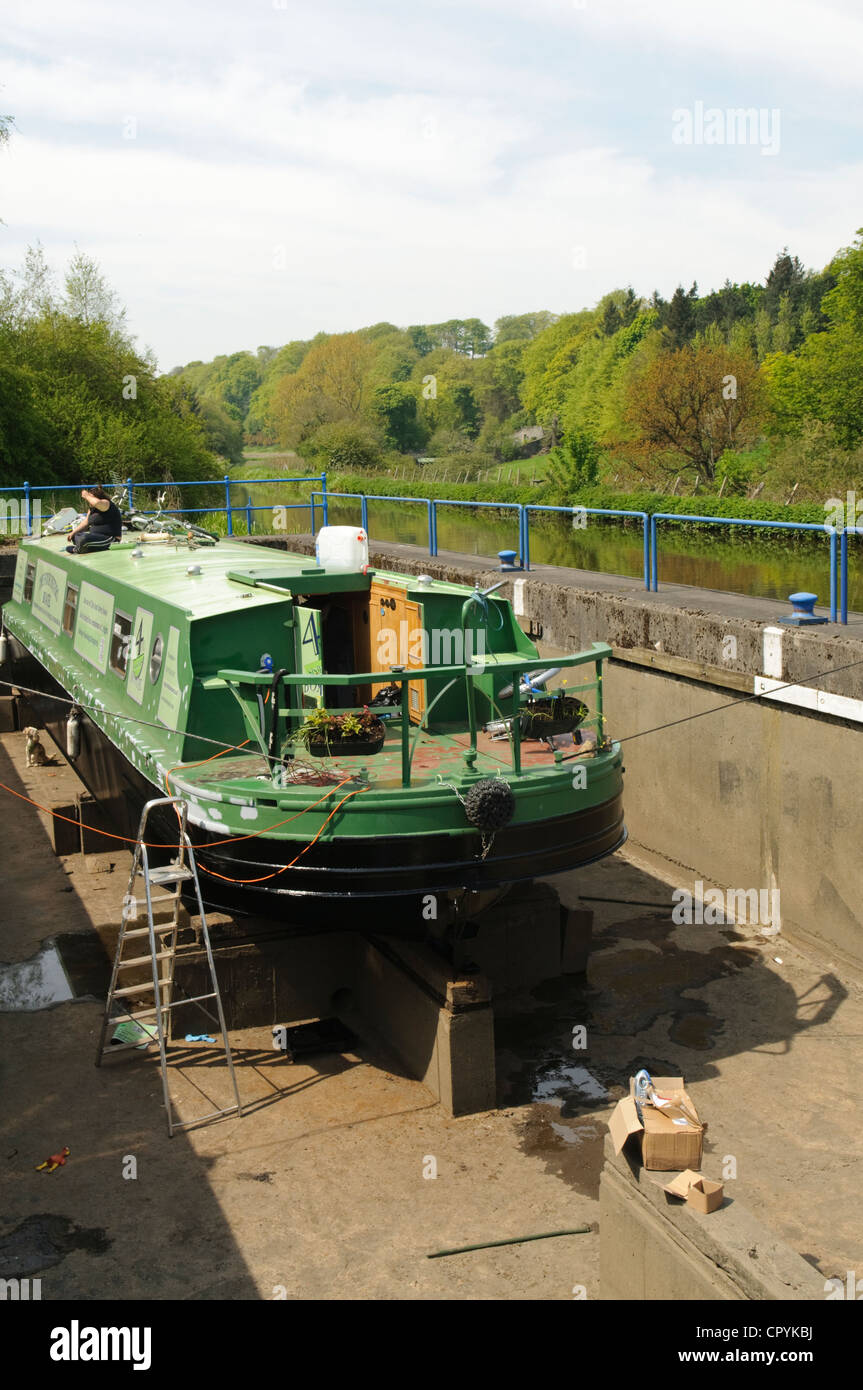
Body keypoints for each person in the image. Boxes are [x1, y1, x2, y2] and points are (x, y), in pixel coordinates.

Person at [66, 486, 123, 554]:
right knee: (76, 535)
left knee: (84, 538)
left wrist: (87, 495)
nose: (89, 501)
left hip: (110, 539)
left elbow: (96, 503)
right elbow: (86, 522)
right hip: (95, 537)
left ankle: (77, 549)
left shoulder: (106, 503)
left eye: (91, 498)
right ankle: (84, 547)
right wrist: (73, 533)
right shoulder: (91, 509)